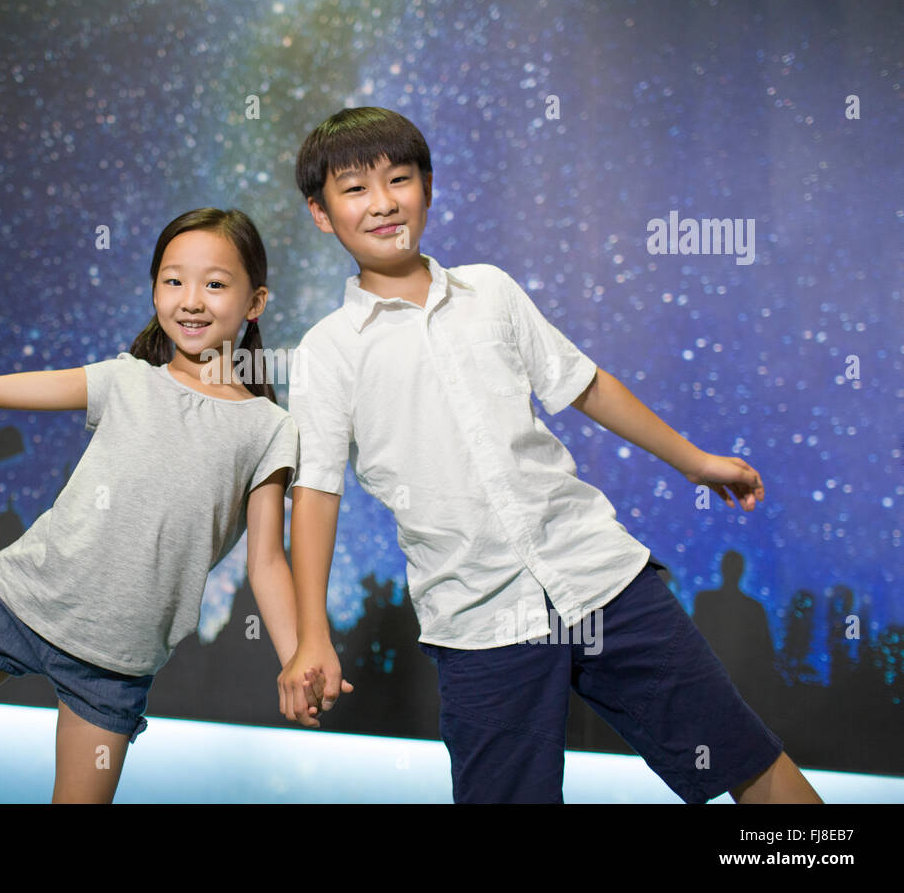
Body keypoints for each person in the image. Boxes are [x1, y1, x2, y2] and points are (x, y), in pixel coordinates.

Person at [278, 106, 822, 804]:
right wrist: (309, 636)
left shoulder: (491, 291)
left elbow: (586, 385)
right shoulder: (328, 348)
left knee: (749, 761)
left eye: (400, 179)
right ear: (321, 214)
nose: (383, 202)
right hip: (477, 618)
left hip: (597, 574)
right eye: (354, 189)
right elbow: (316, 491)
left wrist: (694, 461)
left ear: (429, 188)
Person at [0, 207, 322, 803]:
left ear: (255, 301)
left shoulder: (269, 429)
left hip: (116, 659)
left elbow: (266, 561)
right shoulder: (125, 380)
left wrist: (295, 655)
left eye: (215, 283)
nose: (190, 300)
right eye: (172, 279)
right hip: (23, 601)